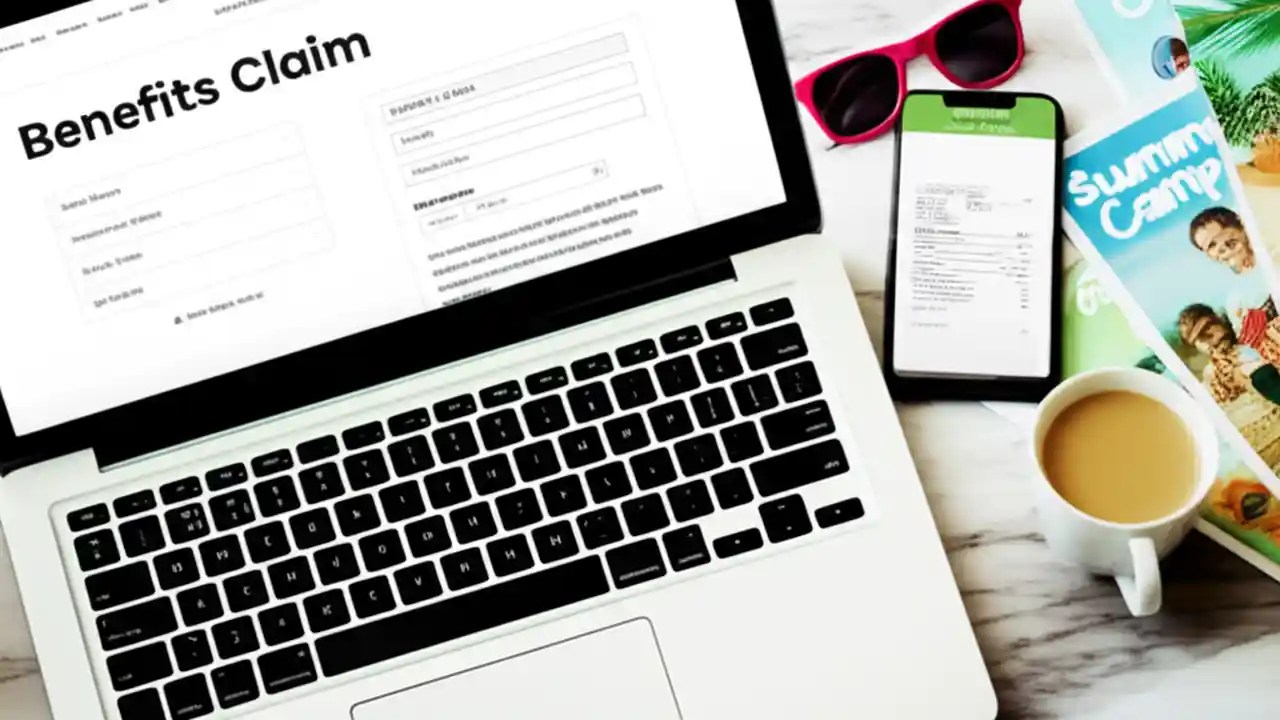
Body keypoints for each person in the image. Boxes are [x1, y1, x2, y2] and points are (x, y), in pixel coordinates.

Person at [1180, 304, 1280, 469]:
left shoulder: (1259, 331)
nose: (1208, 337)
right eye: (1199, 338)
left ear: (1218, 319)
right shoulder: (1214, 374)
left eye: (1208, 326)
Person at [1189, 206, 1280, 365]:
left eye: (1223, 236)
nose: (1221, 248)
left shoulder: (1274, 254)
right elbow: (1253, 349)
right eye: (1211, 246)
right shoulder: (1236, 300)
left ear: (1240, 226)